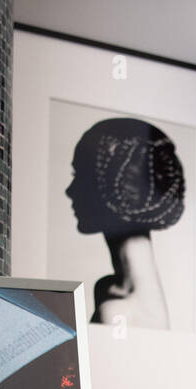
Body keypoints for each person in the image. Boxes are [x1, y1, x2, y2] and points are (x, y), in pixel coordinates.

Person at [65, 117, 185, 329]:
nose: (70, 190)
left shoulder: (119, 313)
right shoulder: (110, 289)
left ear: (111, 188)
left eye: (79, 175)